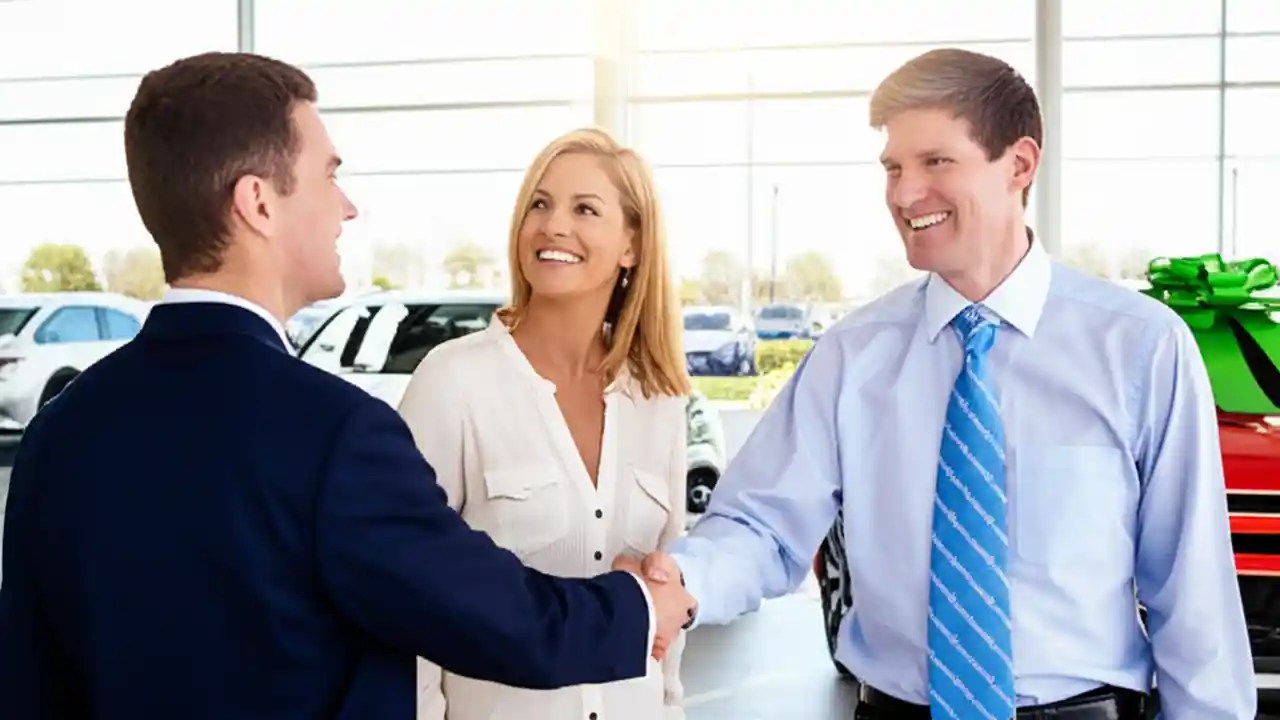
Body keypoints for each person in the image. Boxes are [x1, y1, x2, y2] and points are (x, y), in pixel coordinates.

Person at [0, 52, 696, 720]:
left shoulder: (60, 436)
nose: (347, 207)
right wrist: (640, 609)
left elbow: (28, 690)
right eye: (328, 175)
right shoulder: (336, 435)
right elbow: (492, 616)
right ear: (258, 204)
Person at [640, 48, 1255, 719]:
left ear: (1019, 164)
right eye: (894, 168)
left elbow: (1191, 592)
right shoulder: (854, 355)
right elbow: (763, 526)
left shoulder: (1140, 346)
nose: (904, 194)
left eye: (936, 162)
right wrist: (687, 580)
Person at [397, 127, 691, 719]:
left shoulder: (659, 397)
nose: (553, 225)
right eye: (540, 203)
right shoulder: (453, 382)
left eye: (585, 209)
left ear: (632, 245)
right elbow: (409, 599)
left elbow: (668, 598)